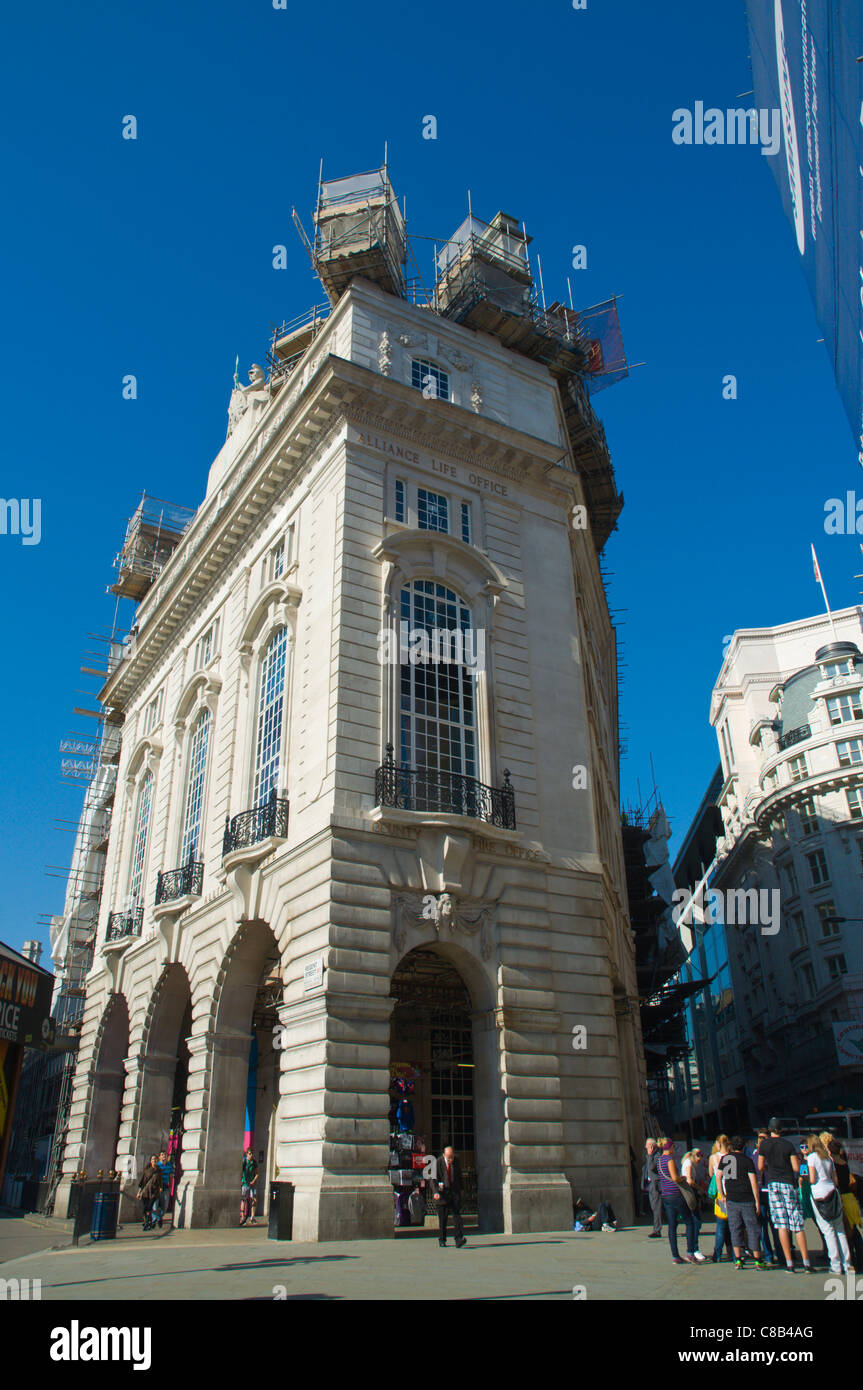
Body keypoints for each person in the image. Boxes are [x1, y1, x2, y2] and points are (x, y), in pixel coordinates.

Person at [757, 1119, 812, 1273]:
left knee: (781, 1225)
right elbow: (796, 1167)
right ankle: (806, 1262)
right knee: (797, 1225)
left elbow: (760, 1166)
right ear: (781, 1130)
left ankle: (789, 1264)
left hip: (773, 1184)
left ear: (770, 1130)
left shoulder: (764, 1145)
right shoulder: (788, 1144)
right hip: (789, 1183)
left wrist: (770, 1167)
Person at [717, 1135, 768, 1270]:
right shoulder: (747, 1160)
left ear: (731, 1147)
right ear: (744, 1147)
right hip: (746, 1198)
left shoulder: (725, 1159)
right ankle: (758, 1258)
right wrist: (757, 1201)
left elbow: (718, 1176)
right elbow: (753, 1181)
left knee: (735, 1228)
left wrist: (721, 1193)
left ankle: (738, 1259)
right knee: (752, 1228)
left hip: (731, 1198)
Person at [804, 1135, 851, 1275]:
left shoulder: (812, 1158)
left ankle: (835, 1265)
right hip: (833, 1192)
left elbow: (812, 1179)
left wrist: (805, 1177)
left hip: (819, 1194)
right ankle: (847, 1264)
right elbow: (835, 1180)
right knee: (840, 1230)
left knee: (827, 1231)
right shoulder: (828, 1157)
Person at [656, 1138, 704, 1264]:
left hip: (665, 1195)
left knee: (672, 1225)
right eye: (673, 1148)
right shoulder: (669, 1159)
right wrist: (681, 1178)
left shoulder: (659, 1160)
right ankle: (690, 1252)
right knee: (689, 1222)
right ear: (670, 1148)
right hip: (675, 1195)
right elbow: (674, 1178)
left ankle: (675, 1256)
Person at [748, 1130, 778, 1263]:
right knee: (762, 1226)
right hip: (760, 1192)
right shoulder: (754, 1155)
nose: (761, 1140)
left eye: (763, 1138)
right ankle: (768, 1254)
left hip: (772, 1190)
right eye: (760, 1138)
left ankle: (781, 1253)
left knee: (776, 1225)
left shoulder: (772, 1154)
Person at [433, 1145, 466, 1248]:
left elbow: (459, 1176)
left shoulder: (456, 1161)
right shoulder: (438, 1162)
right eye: (448, 1157)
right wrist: (435, 1192)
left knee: (457, 1216)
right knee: (443, 1219)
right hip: (442, 1193)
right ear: (444, 1155)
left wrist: (461, 1189)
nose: (450, 1159)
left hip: (453, 1192)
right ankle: (442, 1239)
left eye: (452, 1157)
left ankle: (458, 1239)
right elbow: (433, 1179)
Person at [708, 1136, 734, 1263]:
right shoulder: (732, 1157)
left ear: (718, 1144)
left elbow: (710, 1174)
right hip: (731, 1192)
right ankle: (734, 1252)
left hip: (720, 1194)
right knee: (732, 1223)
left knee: (721, 1223)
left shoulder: (713, 1158)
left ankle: (717, 1253)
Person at [136, 1154, 163, 1232]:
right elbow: (142, 1183)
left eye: (155, 1159)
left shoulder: (159, 1170)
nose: (154, 1160)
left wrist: (161, 1188)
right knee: (145, 1209)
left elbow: (160, 1181)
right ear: (150, 1161)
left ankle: (149, 1222)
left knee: (150, 1207)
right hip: (145, 1192)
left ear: (157, 1161)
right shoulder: (147, 1171)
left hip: (154, 1192)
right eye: (153, 1159)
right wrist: (139, 1193)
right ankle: (147, 1221)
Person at [642, 1138, 662, 1238]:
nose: (645, 1147)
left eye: (647, 1145)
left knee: (656, 1207)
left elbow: (651, 1167)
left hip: (655, 1185)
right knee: (654, 1207)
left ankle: (657, 1230)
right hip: (650, 1185)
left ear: (651, 1146)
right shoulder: (648, 1156)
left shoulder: (656, 1156)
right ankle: (656, 1227)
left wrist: (650, 1155)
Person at [153, 1149, 174, 1229]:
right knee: (155, 1205)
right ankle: (156, 1219)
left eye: (165, 1155)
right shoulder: (157, 1165)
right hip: (157, 1188)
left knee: (164, 1205)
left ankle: (159, 1217)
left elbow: (171, 1177)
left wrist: (170, 1187)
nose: (164, 1156)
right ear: (159, 1157)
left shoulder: (169, 1165)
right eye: (162, 1155)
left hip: (165, 1187)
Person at [240, 1147, 258, 1226]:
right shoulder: (244, 1162)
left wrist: (253, 1181)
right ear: (247, 1154)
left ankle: (252, 1217)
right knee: (244, 1200)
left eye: (252, 1154)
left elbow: (257, 1173)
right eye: (249, 1154)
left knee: (254, 1200)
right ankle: (243, 1217)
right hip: (245, 1183)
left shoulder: (254, 1162)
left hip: (252, 1184)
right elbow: (240, 1172)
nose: (251, 1155)